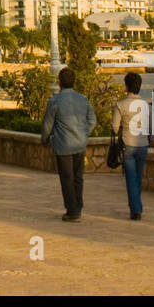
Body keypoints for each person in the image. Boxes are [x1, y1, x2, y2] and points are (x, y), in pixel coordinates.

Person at [40, 67, 97, 223]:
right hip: (80, 144)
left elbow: (47, 125)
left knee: (67, 178)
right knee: (78, 177)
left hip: (63, 145)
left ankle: (72, 211)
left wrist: (45, 140)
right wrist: (84, 134)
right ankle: (77, 206)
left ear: (59, 83)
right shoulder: (83, 100)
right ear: (75, 82)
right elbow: (92, 121)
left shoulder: (54, 101)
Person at [112, 71, 154, 221]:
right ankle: (136, 206)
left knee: (130, 179)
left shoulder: (120, 105)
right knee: (138, 177)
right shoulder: (148, 106)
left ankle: (136, 210)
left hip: (128, 144)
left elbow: (114, 127)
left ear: (126, 86)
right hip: (143, 146)